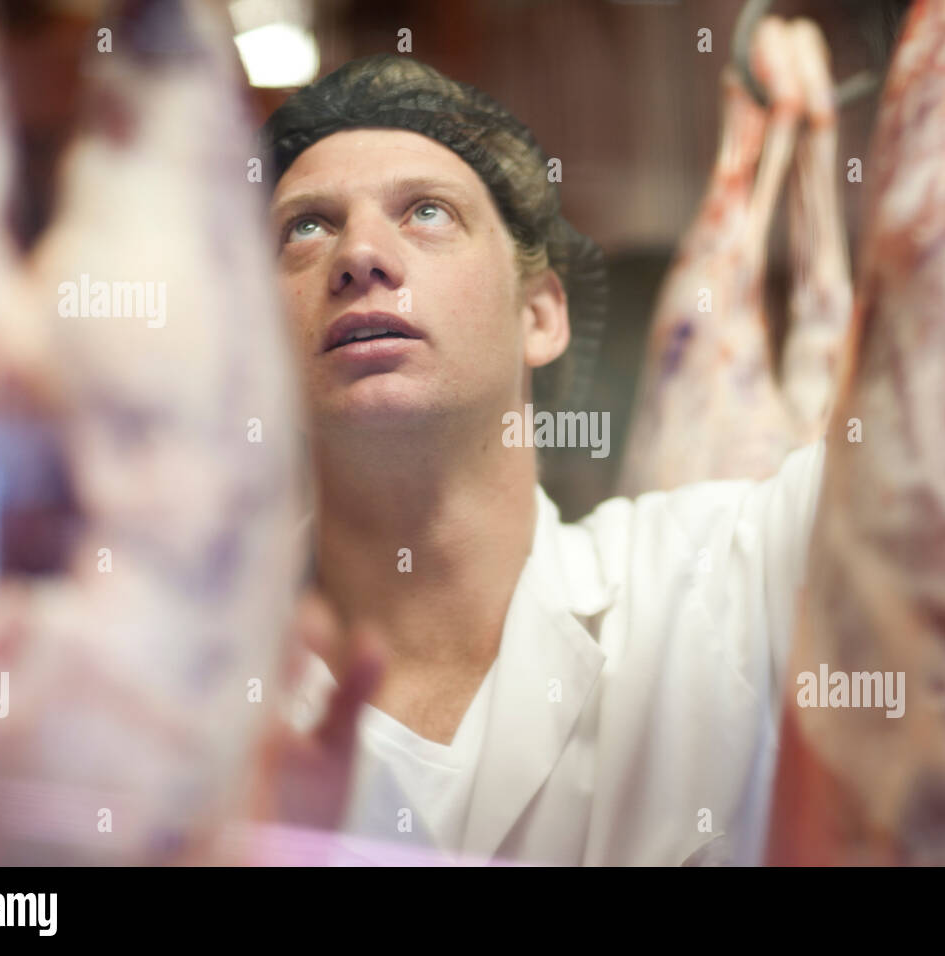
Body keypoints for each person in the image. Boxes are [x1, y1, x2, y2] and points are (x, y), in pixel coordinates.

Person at [259, 53, 825, 866]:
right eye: (305, 227)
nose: (360, 254)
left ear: (541, 316)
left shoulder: (729, 580)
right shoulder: (180, 681)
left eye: (426, 211)